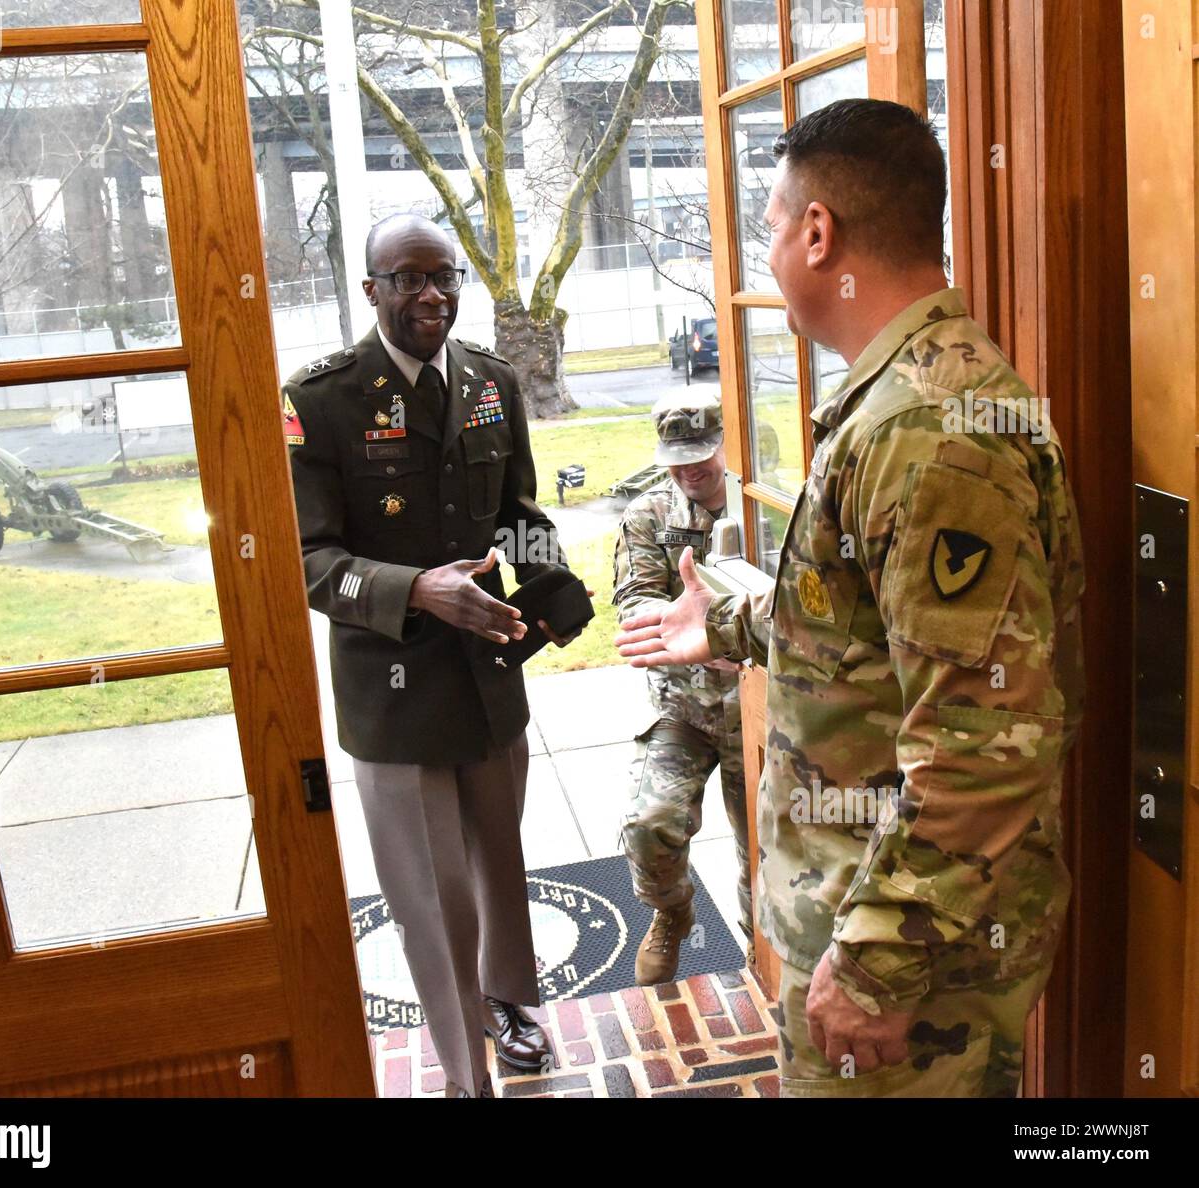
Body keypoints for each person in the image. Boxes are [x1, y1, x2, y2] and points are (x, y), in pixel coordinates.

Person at [615, 98, 1084, 1097]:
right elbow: (868, 632)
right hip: (878, 923)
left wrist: (875, 965)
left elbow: (983, 742)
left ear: (818, 232)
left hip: (906, 974)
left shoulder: (930, 429)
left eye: (771, 222)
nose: (770, 250)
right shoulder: (906, 402)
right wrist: (730, 623)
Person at [284, 212, 584, 1098]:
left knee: (497, 865)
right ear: (369, 289)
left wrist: (555, 592)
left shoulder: (492, 380)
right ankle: (465, 1074)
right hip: (396, 697)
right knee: (433, 899)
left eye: (444, 276)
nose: (431, 294)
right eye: (407, 277)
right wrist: (418, 590)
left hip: (490, 684)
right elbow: (309, 560)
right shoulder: (321, 400)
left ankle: (508, 1008)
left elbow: (517, 514)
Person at [612, 393, 753, 984]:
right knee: (650, 826)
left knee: (771, 857)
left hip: (759, 712)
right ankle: (673, 913)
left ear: (724, 441)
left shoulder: (765, 503)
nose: (689, 469)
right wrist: (677, 626)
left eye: (700, 454)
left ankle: (760, 957)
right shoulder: (649, 514)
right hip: (685, 710)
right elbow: (633, 600)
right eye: (676, 458)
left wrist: (736, 639)